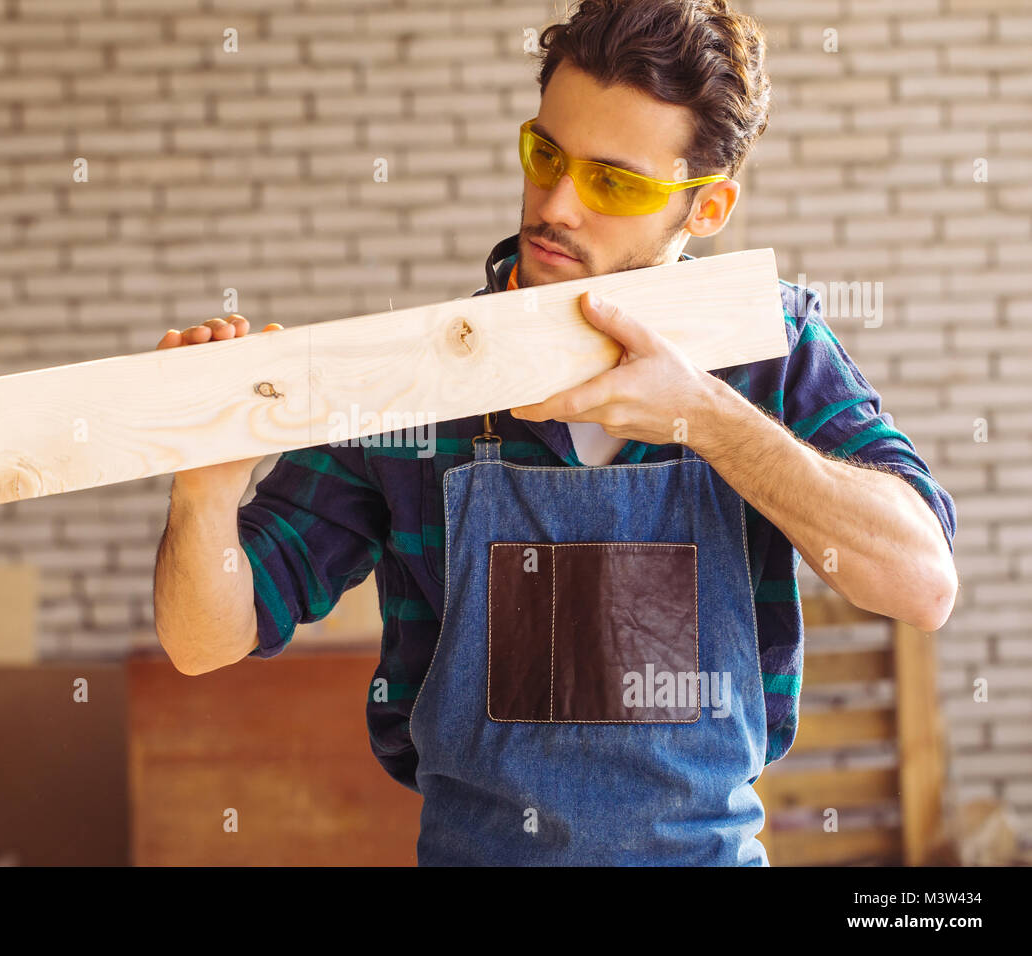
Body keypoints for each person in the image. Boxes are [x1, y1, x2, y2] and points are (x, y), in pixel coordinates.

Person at [153, 0, 958, 865]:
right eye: (547, 155)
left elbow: (921, 582)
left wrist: (710, 419)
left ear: (709, 206)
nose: (558, 206)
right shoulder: (415, 379)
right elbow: (204, 641)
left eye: (615, 180)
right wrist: (205, 489)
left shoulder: (767, 350)